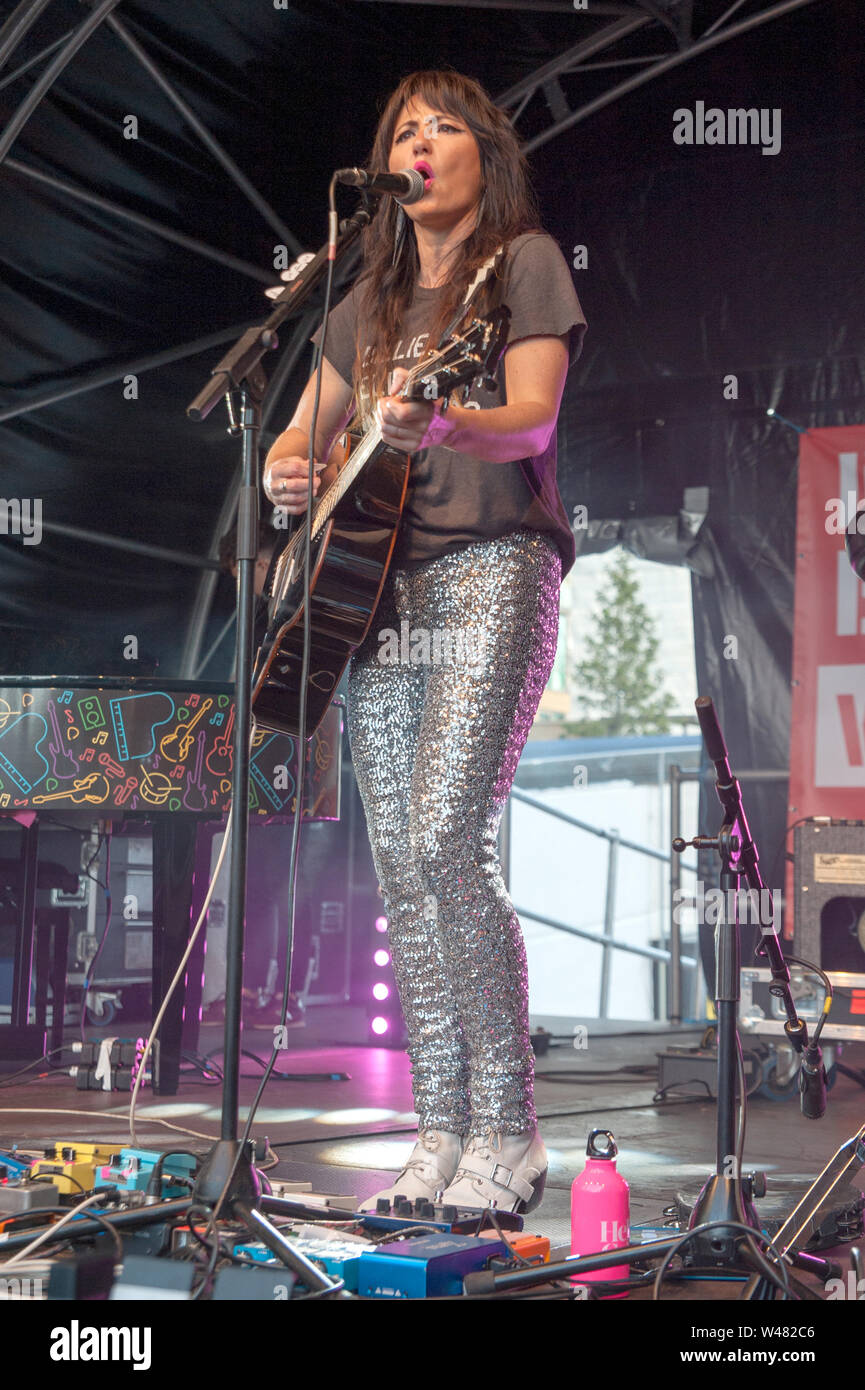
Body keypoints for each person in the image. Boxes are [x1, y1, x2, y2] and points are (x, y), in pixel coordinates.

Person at [262, 70, 586, 1214]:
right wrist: (288, 468)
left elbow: (533, 418)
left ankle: (509, 1128)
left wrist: (449, 418)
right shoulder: (359, 307)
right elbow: (302, 434)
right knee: (402, 871)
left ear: (482, 153)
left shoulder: (525, 262)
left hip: (492, 569)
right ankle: (439, 1132)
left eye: (443, 126)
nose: (420, 143)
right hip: (373, 597)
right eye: (403, 128)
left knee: (449, 842)